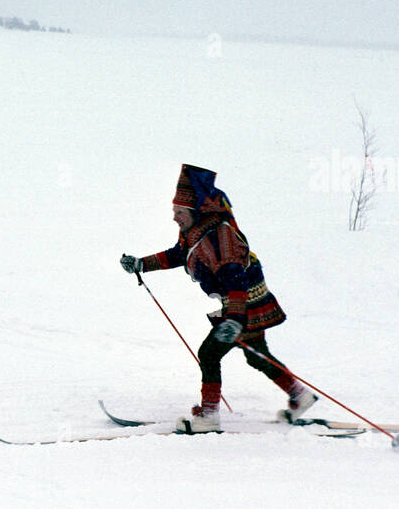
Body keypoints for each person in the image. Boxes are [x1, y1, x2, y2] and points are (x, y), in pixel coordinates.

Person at [120, 164, 316, 433]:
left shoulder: (219, 238)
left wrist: (235, 320)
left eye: (179, 212)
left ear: (195, 211)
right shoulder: (196, 231)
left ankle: (209, 417)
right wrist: (142, 264)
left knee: (209, 353)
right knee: (258, 356)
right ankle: (300, 396)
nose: (175, 217)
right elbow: (179, 254)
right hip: (243, 305)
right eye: (174, 211)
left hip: (244, 303)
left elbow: (235, 280)